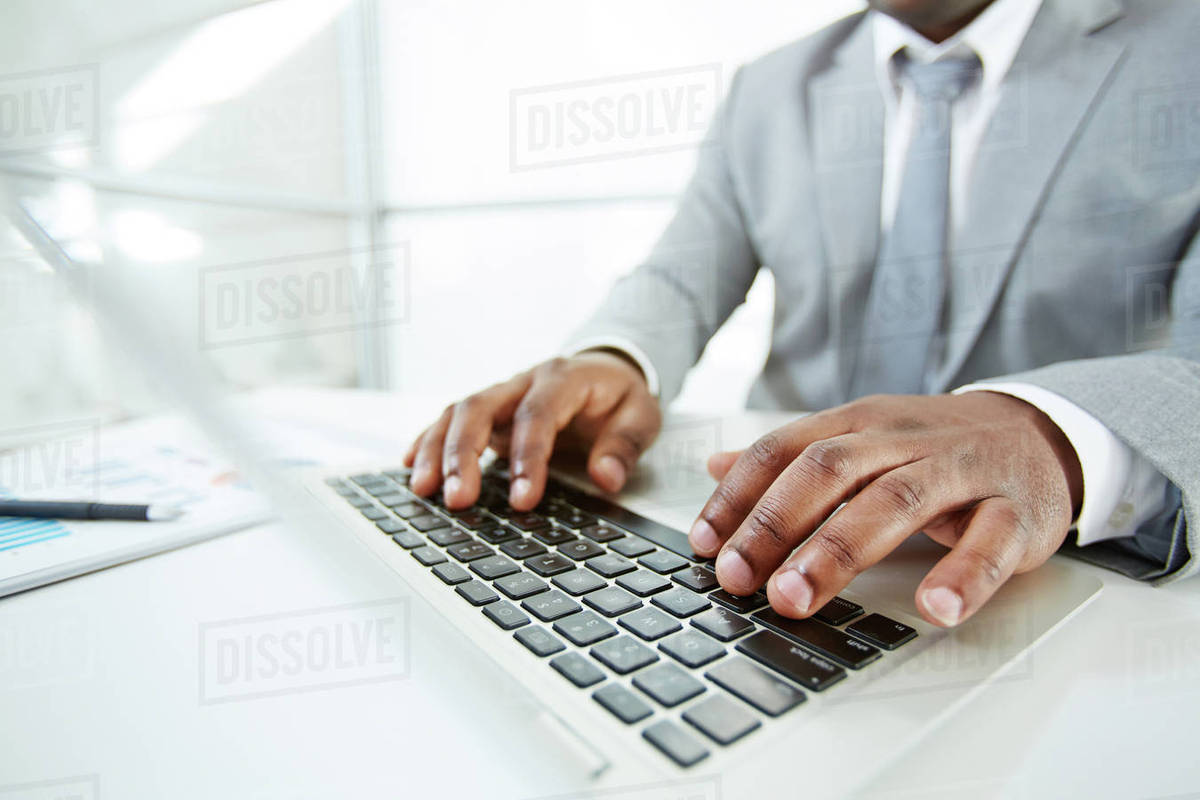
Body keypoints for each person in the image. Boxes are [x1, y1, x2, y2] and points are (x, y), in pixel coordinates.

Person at [404, 0, 1200, 628]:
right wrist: (616, 361)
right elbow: (680, 281)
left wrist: (1054, 435)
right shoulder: (771, 87)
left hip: (1049, 584)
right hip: (770, 544)